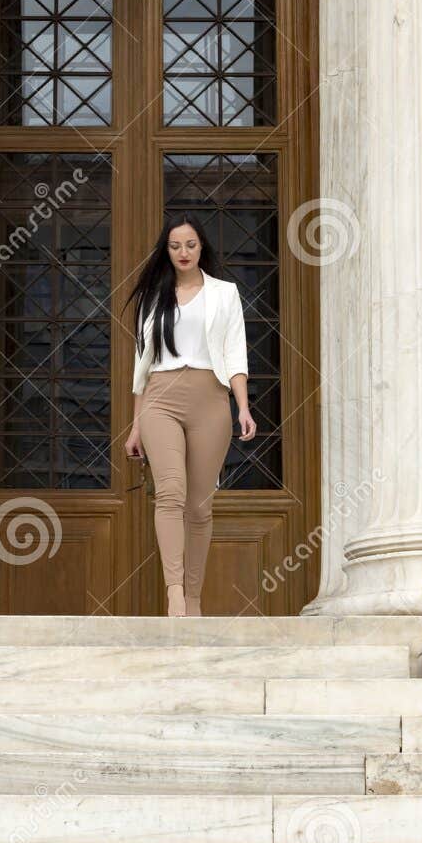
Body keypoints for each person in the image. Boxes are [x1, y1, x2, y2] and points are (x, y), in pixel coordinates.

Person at [123, 217, 256, 617]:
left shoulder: (224, 294)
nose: (183, 252)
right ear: (166, 251)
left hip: (210, 400)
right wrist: (135, 425)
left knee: (199, 506)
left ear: (202, 249)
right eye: (175, 245)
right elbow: (141, 366)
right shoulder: (153, 296)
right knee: (170, 492)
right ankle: (175, 592)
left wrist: (243, 406)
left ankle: (195, 598)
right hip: (160, 400)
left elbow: (235, 352)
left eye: (191, 245)